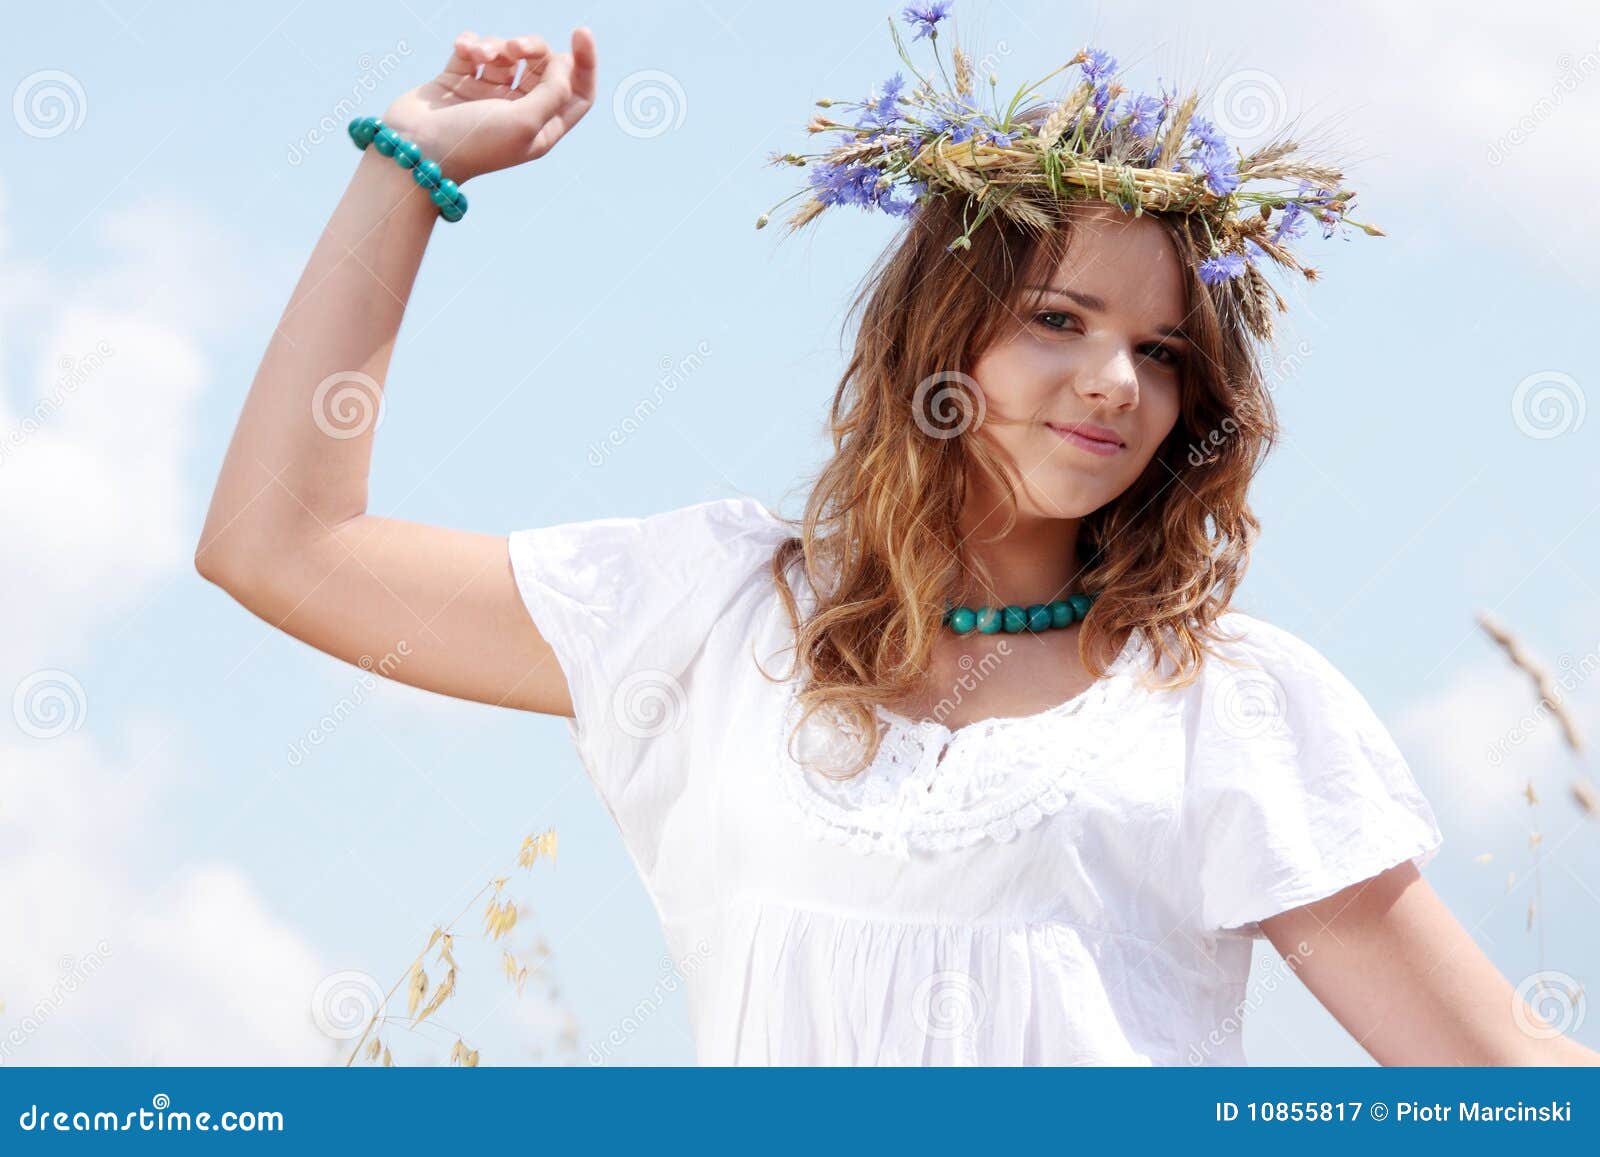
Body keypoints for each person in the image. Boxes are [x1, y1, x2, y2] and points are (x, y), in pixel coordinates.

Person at [195, 19, 1599, 1066]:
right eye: (1059, 319)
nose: (1117, 380)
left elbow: (1504, 1085)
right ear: (940, 342)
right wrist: (407, 168)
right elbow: (281, 546)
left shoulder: (1222, 705)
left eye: (1164, 352)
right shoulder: (708, 614)